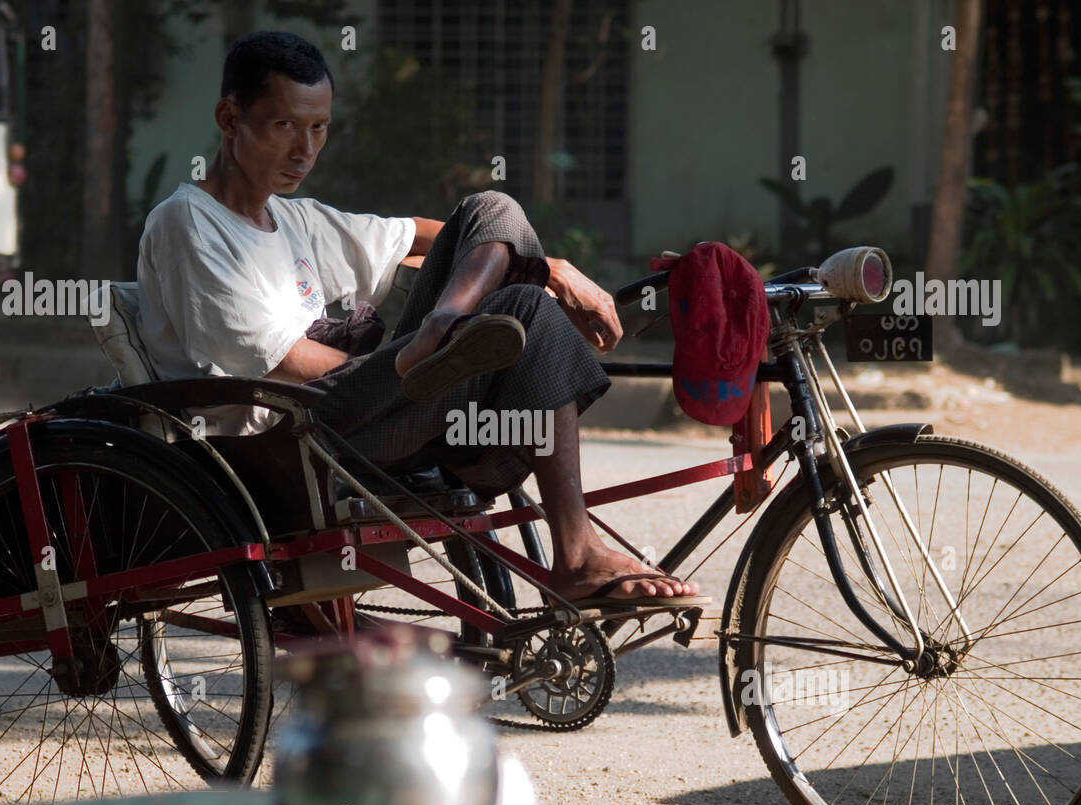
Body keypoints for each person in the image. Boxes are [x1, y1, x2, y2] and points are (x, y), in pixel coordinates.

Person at [136, 30, 697, 606]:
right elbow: (283, 364)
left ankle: (444, 325)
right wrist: (412, 379)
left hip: (369, 394)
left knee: (496, 209)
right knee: (520, 306)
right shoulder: (185, 222)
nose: (304, 149)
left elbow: (423, 233)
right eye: (284, 126)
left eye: (319, 128)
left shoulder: (293, 218)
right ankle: (575, 555)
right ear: (229, 119)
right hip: (293, 432)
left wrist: (548, 267)